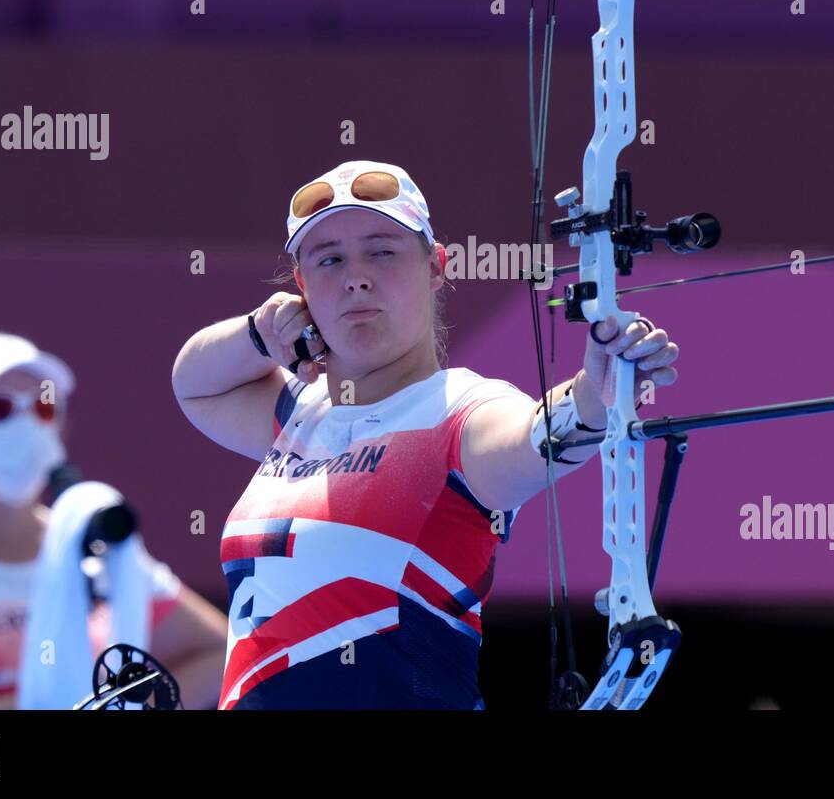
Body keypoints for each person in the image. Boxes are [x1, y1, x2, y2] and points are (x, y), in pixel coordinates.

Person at [171, 160, 680, 709]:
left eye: (382, 251)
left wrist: (592, 393)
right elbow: (192, 384)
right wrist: (259, 333)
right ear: (301, 287)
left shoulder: (460, 411)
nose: (355, 277)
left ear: (436, 266)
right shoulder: (296, 414)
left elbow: (533, 438)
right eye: (329, 260)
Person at [0, 330, 228, 709]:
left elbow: (219, 653)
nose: (27, 422)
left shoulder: (100, 552)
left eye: (43, 406)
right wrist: (46, 703)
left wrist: (132, 707)